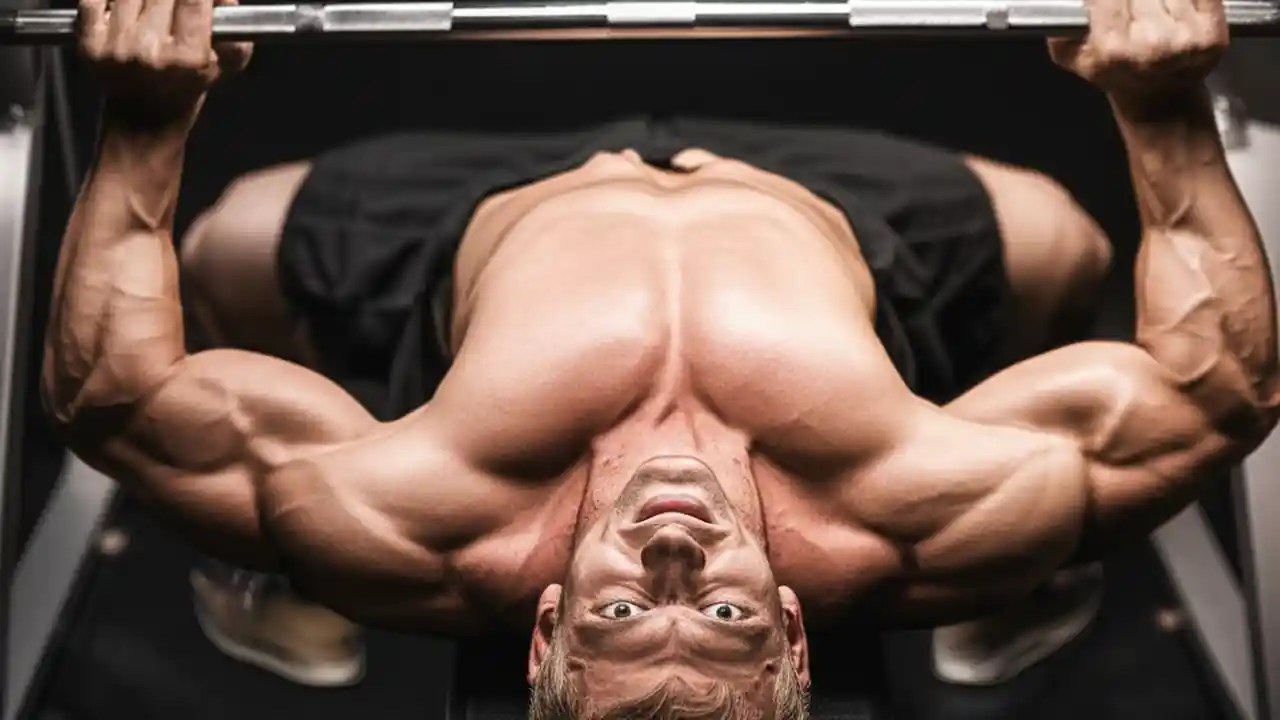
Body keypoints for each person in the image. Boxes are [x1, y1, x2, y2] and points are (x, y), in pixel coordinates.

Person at [41, 0, 1277, 712]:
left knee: (214, 245)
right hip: (828, 212)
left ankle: (260, 582)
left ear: (545, 637)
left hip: (491, 213)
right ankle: (1038, 587)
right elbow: (1213, 390)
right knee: (1061, 249)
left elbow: (117, 395)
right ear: (794, 634)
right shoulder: (915, 519)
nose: (673, 548)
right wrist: (1157, 108)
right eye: (725, 608)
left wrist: (147, 126)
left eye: (624, 607)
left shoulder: (415, 526)